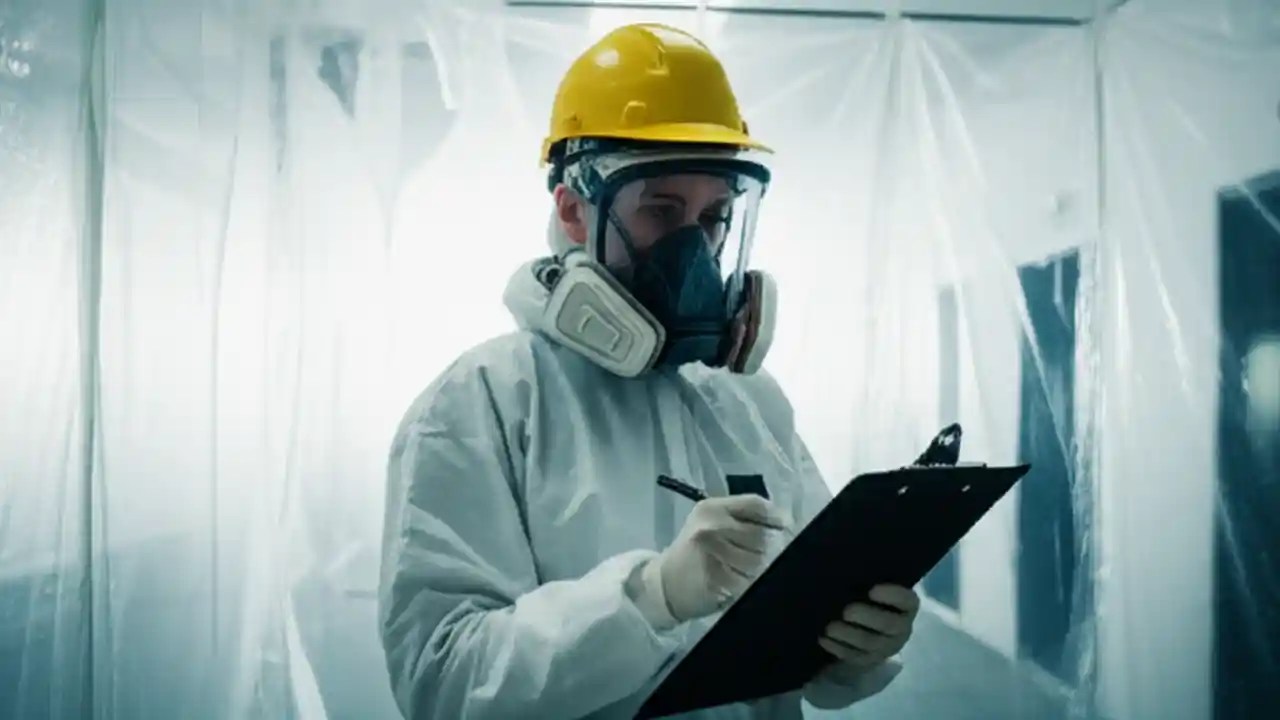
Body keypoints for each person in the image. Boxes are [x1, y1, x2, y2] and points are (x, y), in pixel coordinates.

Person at [377, 22, 921, 720]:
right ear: (575, 211)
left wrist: (856, 646)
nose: (696, 248)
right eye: (663, 210)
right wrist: (648, 599)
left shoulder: (749, 398)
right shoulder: (480, 404)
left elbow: (817, 606)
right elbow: (442, 681)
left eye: (716, 217)